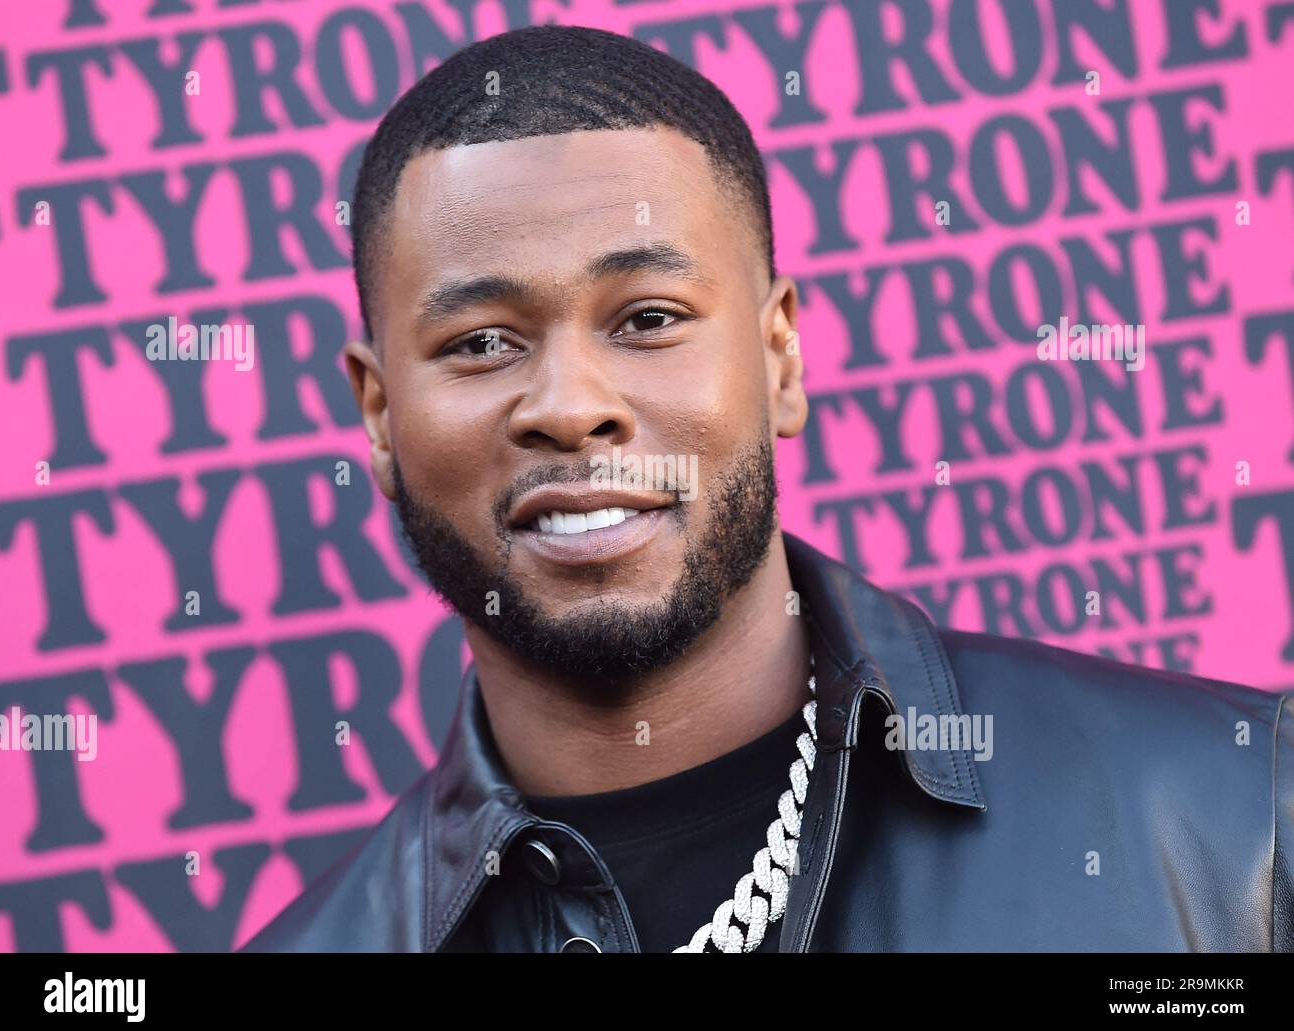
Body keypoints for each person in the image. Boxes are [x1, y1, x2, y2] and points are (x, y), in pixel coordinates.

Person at [239, 24, 1291, 953]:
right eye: (481, 342)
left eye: (647, 317)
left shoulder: (1235, 817)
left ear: (779, 357)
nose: (569, 404)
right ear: (380, 415)